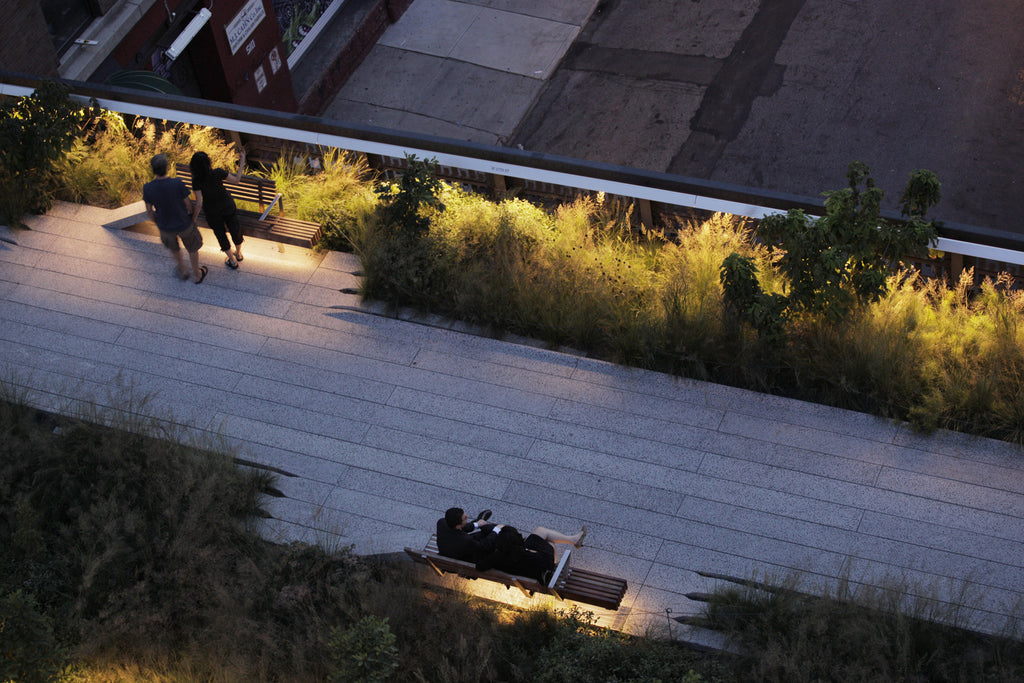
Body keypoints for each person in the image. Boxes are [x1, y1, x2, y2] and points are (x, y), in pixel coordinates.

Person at [143, 154, 207, 284]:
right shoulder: (177, 183)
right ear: (166, 168)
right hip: (184, 223)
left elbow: (149, 211)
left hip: (165, 226)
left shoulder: (148, 188)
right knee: (193, 248)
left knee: (174, 248)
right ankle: (196, 274)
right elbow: (189, 205)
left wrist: (157, 222)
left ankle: (183, 270)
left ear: (153, 169)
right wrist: (192, 218)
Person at [189, 148, 246, 269]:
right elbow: (237, 180)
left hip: (212, 211)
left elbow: (199, 204)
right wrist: (242, 162)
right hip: (228, 205)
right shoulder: (218, 172)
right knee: (235, 228)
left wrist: (193, 219)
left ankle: (232, 261)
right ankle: (239, 254)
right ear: (208, 162)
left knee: (220, 234)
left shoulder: (196, 181)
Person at [475, 524, 586, 586]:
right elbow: (537, 557)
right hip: (543, 571)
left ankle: (573, 540)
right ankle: (573, 540)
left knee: (541, 534)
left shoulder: (497, 558)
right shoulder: (525, 554)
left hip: (526, 569)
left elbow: (479, 566)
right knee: (548, 539)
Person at [436, 507, 501, 562]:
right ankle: (492, 528)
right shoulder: (465, 540)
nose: (468, 516)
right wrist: (495, 531)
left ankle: (480, 522)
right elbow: (482, 547)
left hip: (449, 550)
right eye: (465, 518)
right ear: (458, 526)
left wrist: (476, 524)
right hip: (463, 559)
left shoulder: (441, 522)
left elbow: (459, 528)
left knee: (482, 534)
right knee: (491, 539)